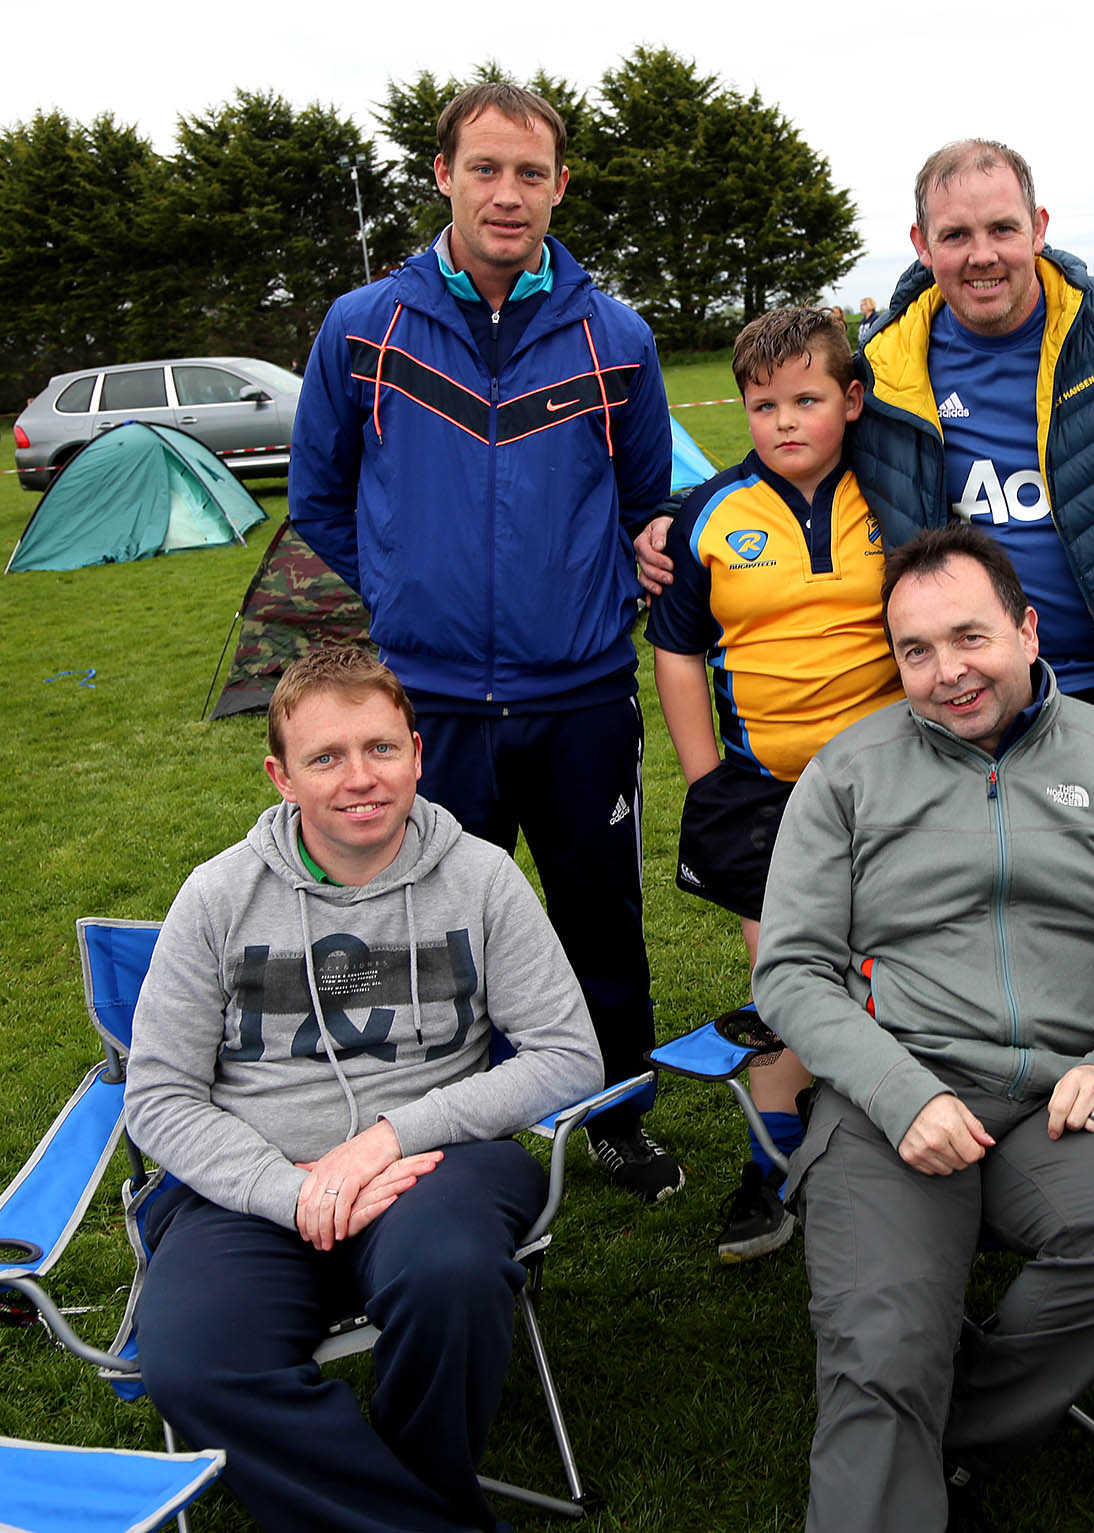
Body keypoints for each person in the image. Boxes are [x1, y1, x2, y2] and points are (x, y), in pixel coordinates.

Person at [753, 524, 1094, 1532]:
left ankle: (937, 1421)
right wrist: (901, 1092)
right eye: (915, 651)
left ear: (1027, 629)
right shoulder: (847, 773)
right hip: (892, 1100)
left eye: (969, 638)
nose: (946, 672)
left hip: (1066, 1104)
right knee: (882, 1343)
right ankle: (898, 1409)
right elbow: (790, 968)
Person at [290, 82, 683, 1201]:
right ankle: (437, 1126)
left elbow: (645, 502)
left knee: (595, 917)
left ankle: (614, 1115)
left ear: (560, 186)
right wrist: (406, 587)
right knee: (422, 925)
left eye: (530, 173)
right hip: (429, 702)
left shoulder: (617, 337)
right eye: (485, 169)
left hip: (580, 698)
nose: (507, 194)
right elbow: (321, 499)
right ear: (442, 176)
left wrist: (620, 567)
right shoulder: (364, 326)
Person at [125, 647, 604, 1532]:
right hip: (250, 1187)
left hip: (436, 1165)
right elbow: (158, 1097)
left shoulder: (482, 878)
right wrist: (293, 1188)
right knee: (191, 1359)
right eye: (325, 757)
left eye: (381, 749)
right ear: (280, 776)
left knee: (451, 1274)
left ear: (419, 753)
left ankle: (379, 1495)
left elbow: (568, 1055)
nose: (360, 779)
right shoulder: (218, 898)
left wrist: (389, 1136)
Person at [636, 140, 1094, 754]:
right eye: (955, 236)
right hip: (970, 705)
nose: (982, 255)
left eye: (1002, 228)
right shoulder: (884, 367)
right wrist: (676, 517)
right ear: (921, 243)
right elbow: (799, 456)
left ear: (1038, 227)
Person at [647, 307, 902, 1262]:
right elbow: (676, 652)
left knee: (889, 966)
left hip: (889, 788)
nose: (785, 420)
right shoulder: (708, 514)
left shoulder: (892, 498)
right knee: (786, 982)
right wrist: (710, 779)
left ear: (852, 399)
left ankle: (886, 1141)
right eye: (763, 405)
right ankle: (773, 1163)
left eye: (806, 399)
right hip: (761, 793)